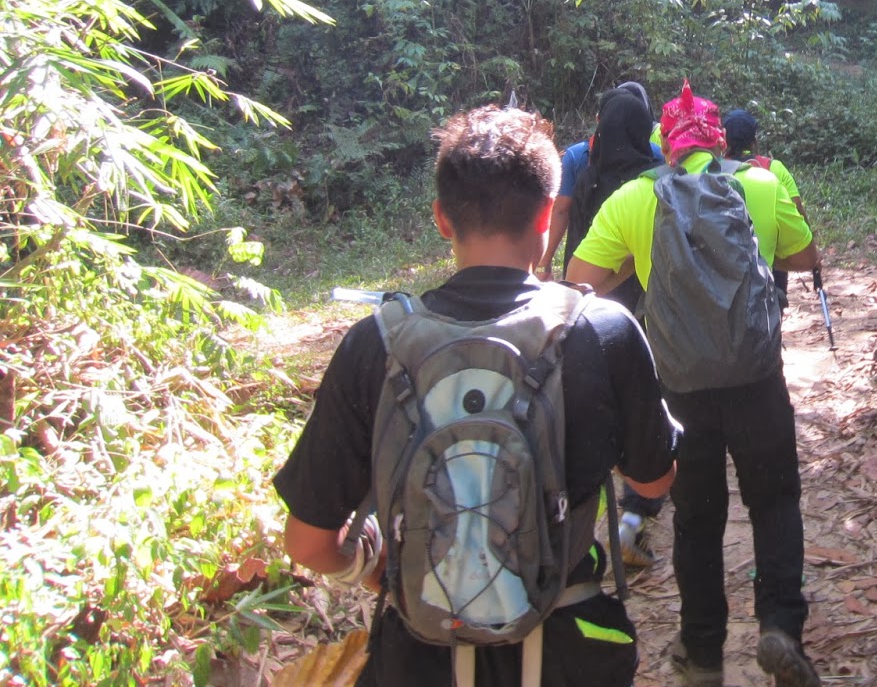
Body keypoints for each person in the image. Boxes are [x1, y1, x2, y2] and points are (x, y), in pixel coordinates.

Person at [276, 105, 679, 687]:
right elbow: (654, 482)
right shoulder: (604, 331)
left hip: (419, 656)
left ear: (442, 218)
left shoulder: (377, 343)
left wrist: (373, 568)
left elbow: (310, 543)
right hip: (568, 648)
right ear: (547, 216)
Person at [567, 83, 822, 687]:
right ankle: (781, 626)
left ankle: (703, 653)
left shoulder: (634, 198)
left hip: (679, 386)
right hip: (757, 378)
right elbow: (807, 256)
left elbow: (579, 280)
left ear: (667, 144)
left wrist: (633, 262)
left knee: (697, 519)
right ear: (718, 138)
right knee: (775, 502)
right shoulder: (760, 184)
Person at [567, 86, 668, 567]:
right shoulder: (650, 182)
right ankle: (633, 520)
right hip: (635, 318)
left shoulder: (587, 174)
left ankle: (582, 530)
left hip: (582, 307)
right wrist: (626, 271)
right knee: (642, 416)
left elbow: (577, 253)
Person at [539, 81, 657, 278]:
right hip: (645, 292)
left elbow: (562, 213)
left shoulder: (587, 174)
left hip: (588, 285)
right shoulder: (659, 175)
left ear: (601, 123)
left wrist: (545, 264)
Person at [722, 108, 805, 307]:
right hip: (772, 269)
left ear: (723, 140)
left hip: (726, 267)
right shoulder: (773, 168)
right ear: (755, 140)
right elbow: (799, 214)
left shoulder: (713, 172)